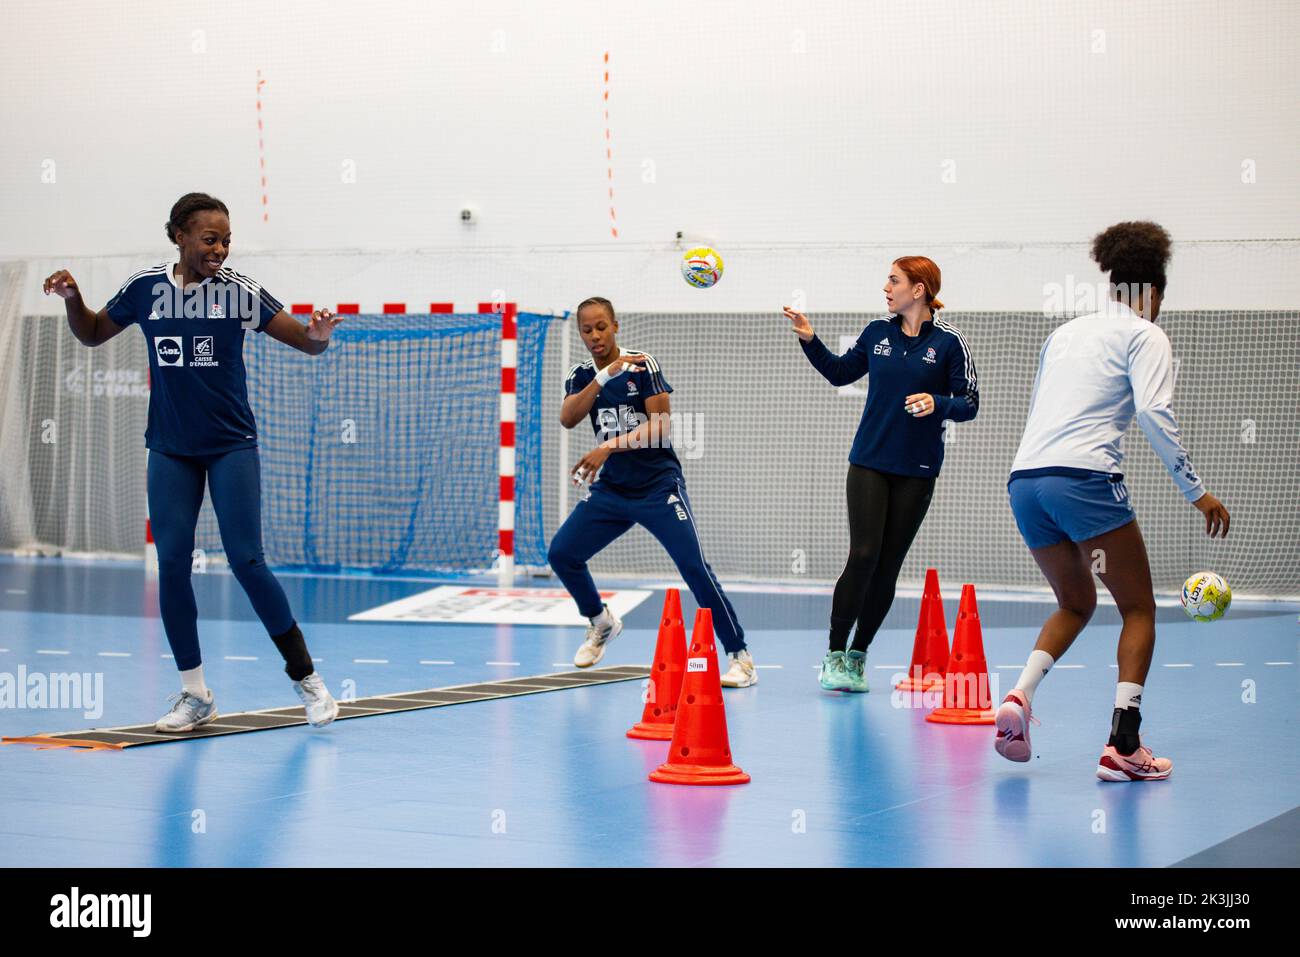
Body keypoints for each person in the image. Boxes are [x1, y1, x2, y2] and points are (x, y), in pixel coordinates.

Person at [42, 192, 344, 732]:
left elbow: (305, 340)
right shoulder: (145, 289)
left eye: (227, 240)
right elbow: (90, 332)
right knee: (173, 565)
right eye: (210, 239)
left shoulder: (238, 292)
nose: (221, 249)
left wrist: (319, 336)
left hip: (231, 446)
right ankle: (194, 693)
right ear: (179, 235)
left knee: (247, 561)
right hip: (170, 449)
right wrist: (72, 297)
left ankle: (309, 681)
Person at [996, 221, 1230, 781]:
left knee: (1076, 603)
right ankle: (1123, 745)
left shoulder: (1065, 333)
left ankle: (1020, 697)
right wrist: (1196, 493)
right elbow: (1152, 413)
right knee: (1139, 609)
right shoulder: (1146, 334)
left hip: (1027, 482)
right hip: (1084, 482)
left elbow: (1041, 409)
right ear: (1154, 293)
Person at [785, 256, 978, 692]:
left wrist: (938, 402)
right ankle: (834, 653)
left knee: (889, 566)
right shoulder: (877, 333)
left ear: (920, 289)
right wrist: (809, 338)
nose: (886, 288)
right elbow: (839, 373)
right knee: (865, 554)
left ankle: (858, 657)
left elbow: (969, 402)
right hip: (869, 462)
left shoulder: (950, 344)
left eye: (894, 280)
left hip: (918, 471)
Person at [547, 297, 756, 687]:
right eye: (587, 330)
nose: (595, 335)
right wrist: (602, 377)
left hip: (659, 487)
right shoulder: (580, 376)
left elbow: (660, 427)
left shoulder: (643, 364)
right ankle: (600, 622)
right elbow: (568, 418)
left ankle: (740, 657)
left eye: (601, 327)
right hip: (613, 491)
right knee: (562, 554)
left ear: (615, 326)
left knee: (694, 569)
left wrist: (607, 447)